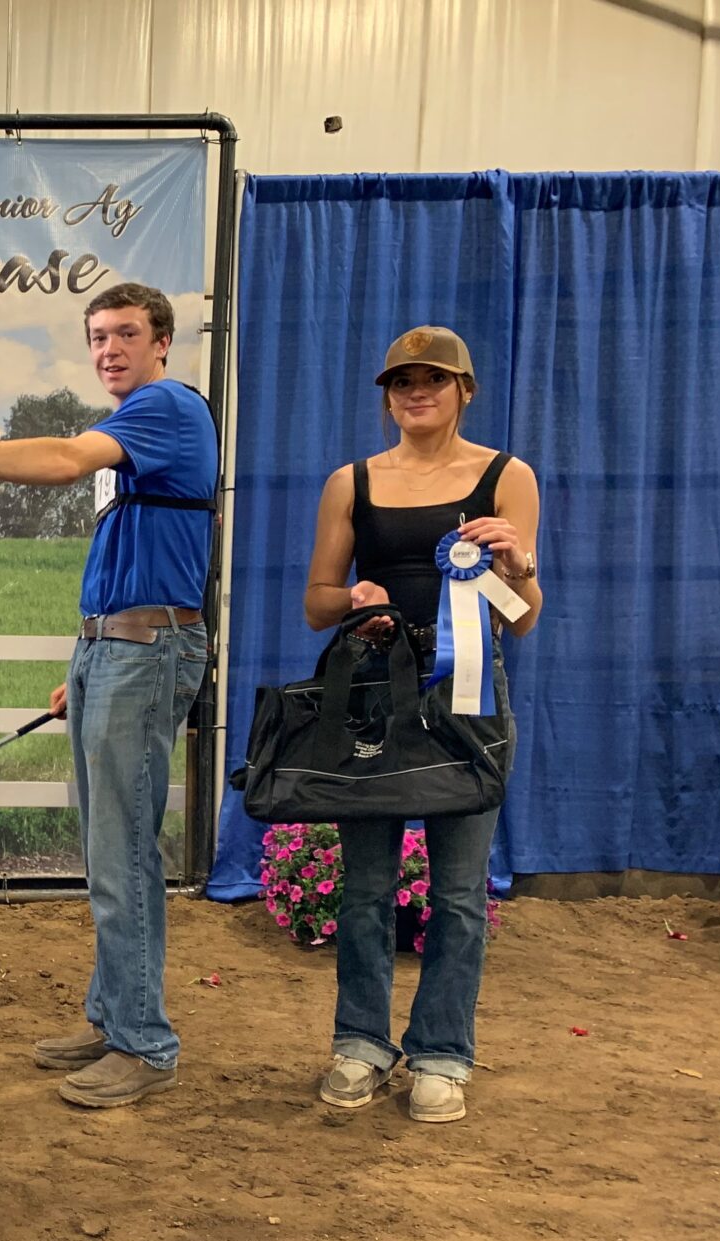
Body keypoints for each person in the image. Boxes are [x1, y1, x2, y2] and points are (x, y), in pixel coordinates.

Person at [0, 282, 217, 1108]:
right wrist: (88, 661)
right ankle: (112, 1018)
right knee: (110, 847)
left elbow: (62, 458)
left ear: (163, 341)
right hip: (115, 648)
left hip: (146, 648)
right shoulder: (137, 428)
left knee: (123, 852)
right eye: (98, 337)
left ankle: (145, 1043)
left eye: (126, 335)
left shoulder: (165, 406)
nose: (109, 351)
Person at [301, 325, 543, 1123]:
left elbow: (525, 618)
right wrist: (356, 601)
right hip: (372, 691)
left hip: (468, 696)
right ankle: (360, 1043)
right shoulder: (353, 483)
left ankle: (442, 1052)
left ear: (465, 390)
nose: (415, 391)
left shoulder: (508, 478)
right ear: (388, 395)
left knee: (461, 891)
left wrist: (519, 568)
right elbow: (317, 604)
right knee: (365, 887)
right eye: (401, 381)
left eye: (433, 379)